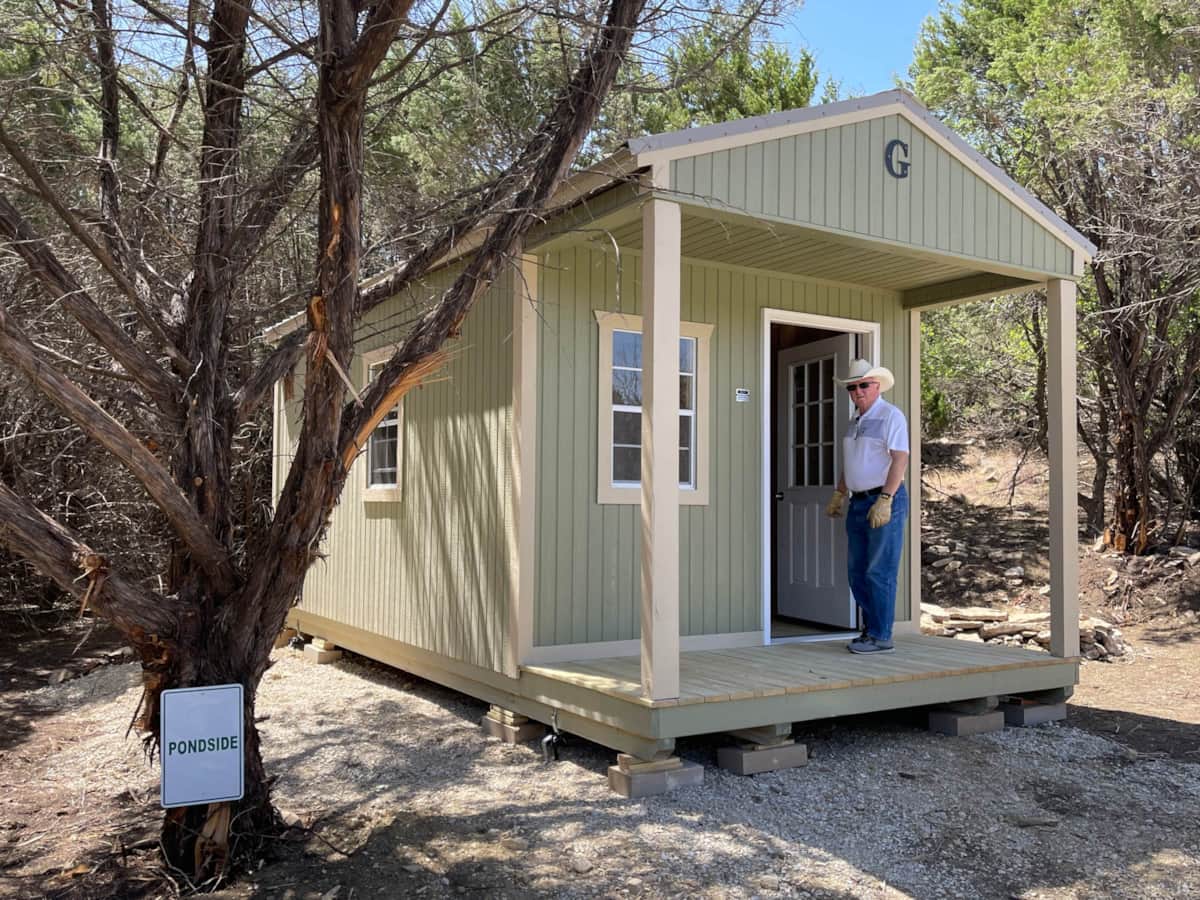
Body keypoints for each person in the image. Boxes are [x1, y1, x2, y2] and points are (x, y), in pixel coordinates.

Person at [824, 359, 910, 654]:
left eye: (863, 385)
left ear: (877, 386)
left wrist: (885, 499)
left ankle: (881, 636)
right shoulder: (855, 421)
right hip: (858, 501)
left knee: (879, 570)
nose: (857, 391)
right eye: (852, 387)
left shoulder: (890, 416)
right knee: (857, 571)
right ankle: (871, 630)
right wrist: (839, 493)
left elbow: (900, 458)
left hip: (883, 500)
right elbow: (853, 462)